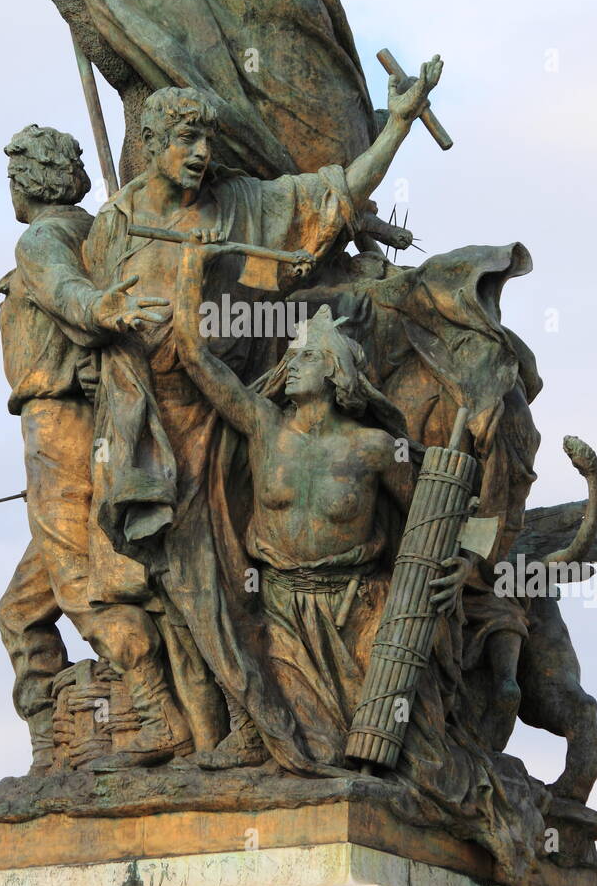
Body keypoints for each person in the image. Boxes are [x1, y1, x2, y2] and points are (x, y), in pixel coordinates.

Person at [82, 61, 444, 771]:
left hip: (226, 416)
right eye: (186, 141)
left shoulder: (239, 205)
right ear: (152, 142)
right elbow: (86, 315)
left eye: (206, 142)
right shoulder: (115, 225)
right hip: (138, 424)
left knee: (220, 575)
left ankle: (259, 726)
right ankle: (205, 722)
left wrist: (398, 124)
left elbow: (329, 196)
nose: (200, 155)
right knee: (164, 583)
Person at [174, 244, 470, 765]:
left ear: (335, 372)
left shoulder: (374, 448)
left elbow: (437, 518)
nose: (290, 366)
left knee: (402, 753)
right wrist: (189, 267)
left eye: (305, 356)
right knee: (318, 753)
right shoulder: (264, 426)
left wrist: (466, 565)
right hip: (281, 610)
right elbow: (195, 357)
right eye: (289, 356)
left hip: (359, 609)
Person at [0, 123, 192, 772]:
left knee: (86, 580)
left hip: (59, 426)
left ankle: (158, 712)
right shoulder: (101, 228)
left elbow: (64, 292)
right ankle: (56, 743)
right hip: (83, 424)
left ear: (28, 181)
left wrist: (100, 308)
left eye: (14, 175)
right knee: (22, 609)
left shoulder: (46, 237)